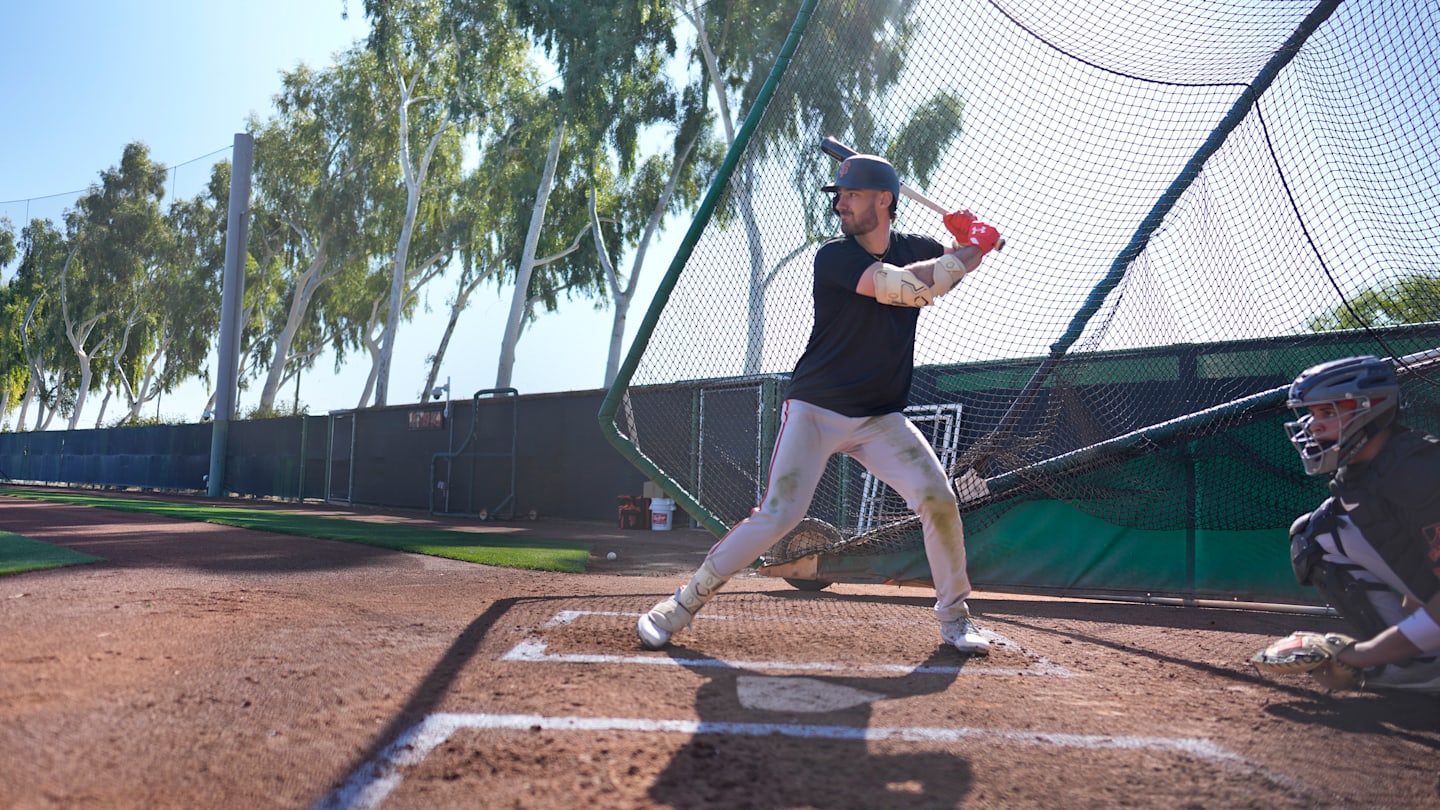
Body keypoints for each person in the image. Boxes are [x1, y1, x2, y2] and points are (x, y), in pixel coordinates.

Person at [637, 153, 1003, 655]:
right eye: (840, 196)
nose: (840, 205)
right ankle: (679, 606)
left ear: (884, 200)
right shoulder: (835, 256)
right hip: (816, 408)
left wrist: (970, 236)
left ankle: (955, 618)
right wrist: (972, 248)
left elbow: (956, 258)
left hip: (879, 418)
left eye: (851, 195)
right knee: (779, 514)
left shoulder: (913, 246)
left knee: (938, 499)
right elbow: (910, 288)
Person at [1283, 355, 1440, 691]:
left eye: (1327, 413)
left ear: (1370, 409)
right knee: (1319, 532)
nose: (1312, 425)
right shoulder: (1360, 475)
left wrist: (1362, 654)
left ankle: (1415, 665)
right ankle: (1416, 665)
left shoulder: (1422, 474)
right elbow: (1420, 573)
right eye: (1311, 414)